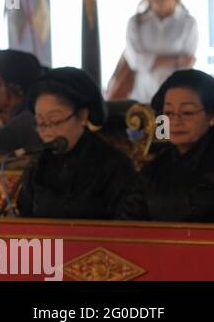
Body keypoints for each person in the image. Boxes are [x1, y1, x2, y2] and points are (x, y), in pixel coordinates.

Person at [17, 67, 147, 220]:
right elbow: (25, 221)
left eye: (54, 120)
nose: (47, 131)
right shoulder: (38, 164)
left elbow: (127, 227)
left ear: (83, 116)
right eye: (41, 122)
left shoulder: (113, 165)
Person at [140, 70, 214, 222]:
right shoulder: (154, 167)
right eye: (168, 113)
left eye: (187, 113)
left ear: (211, 116)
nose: (175, 121)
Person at [123, 0, 198, 103]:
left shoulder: (188, 23)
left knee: (167, 125)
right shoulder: (136, 22)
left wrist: (151, 60)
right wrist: (176, 60)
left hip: (175, 102)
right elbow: (135, 61)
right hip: (142, 100)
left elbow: (187, 64)